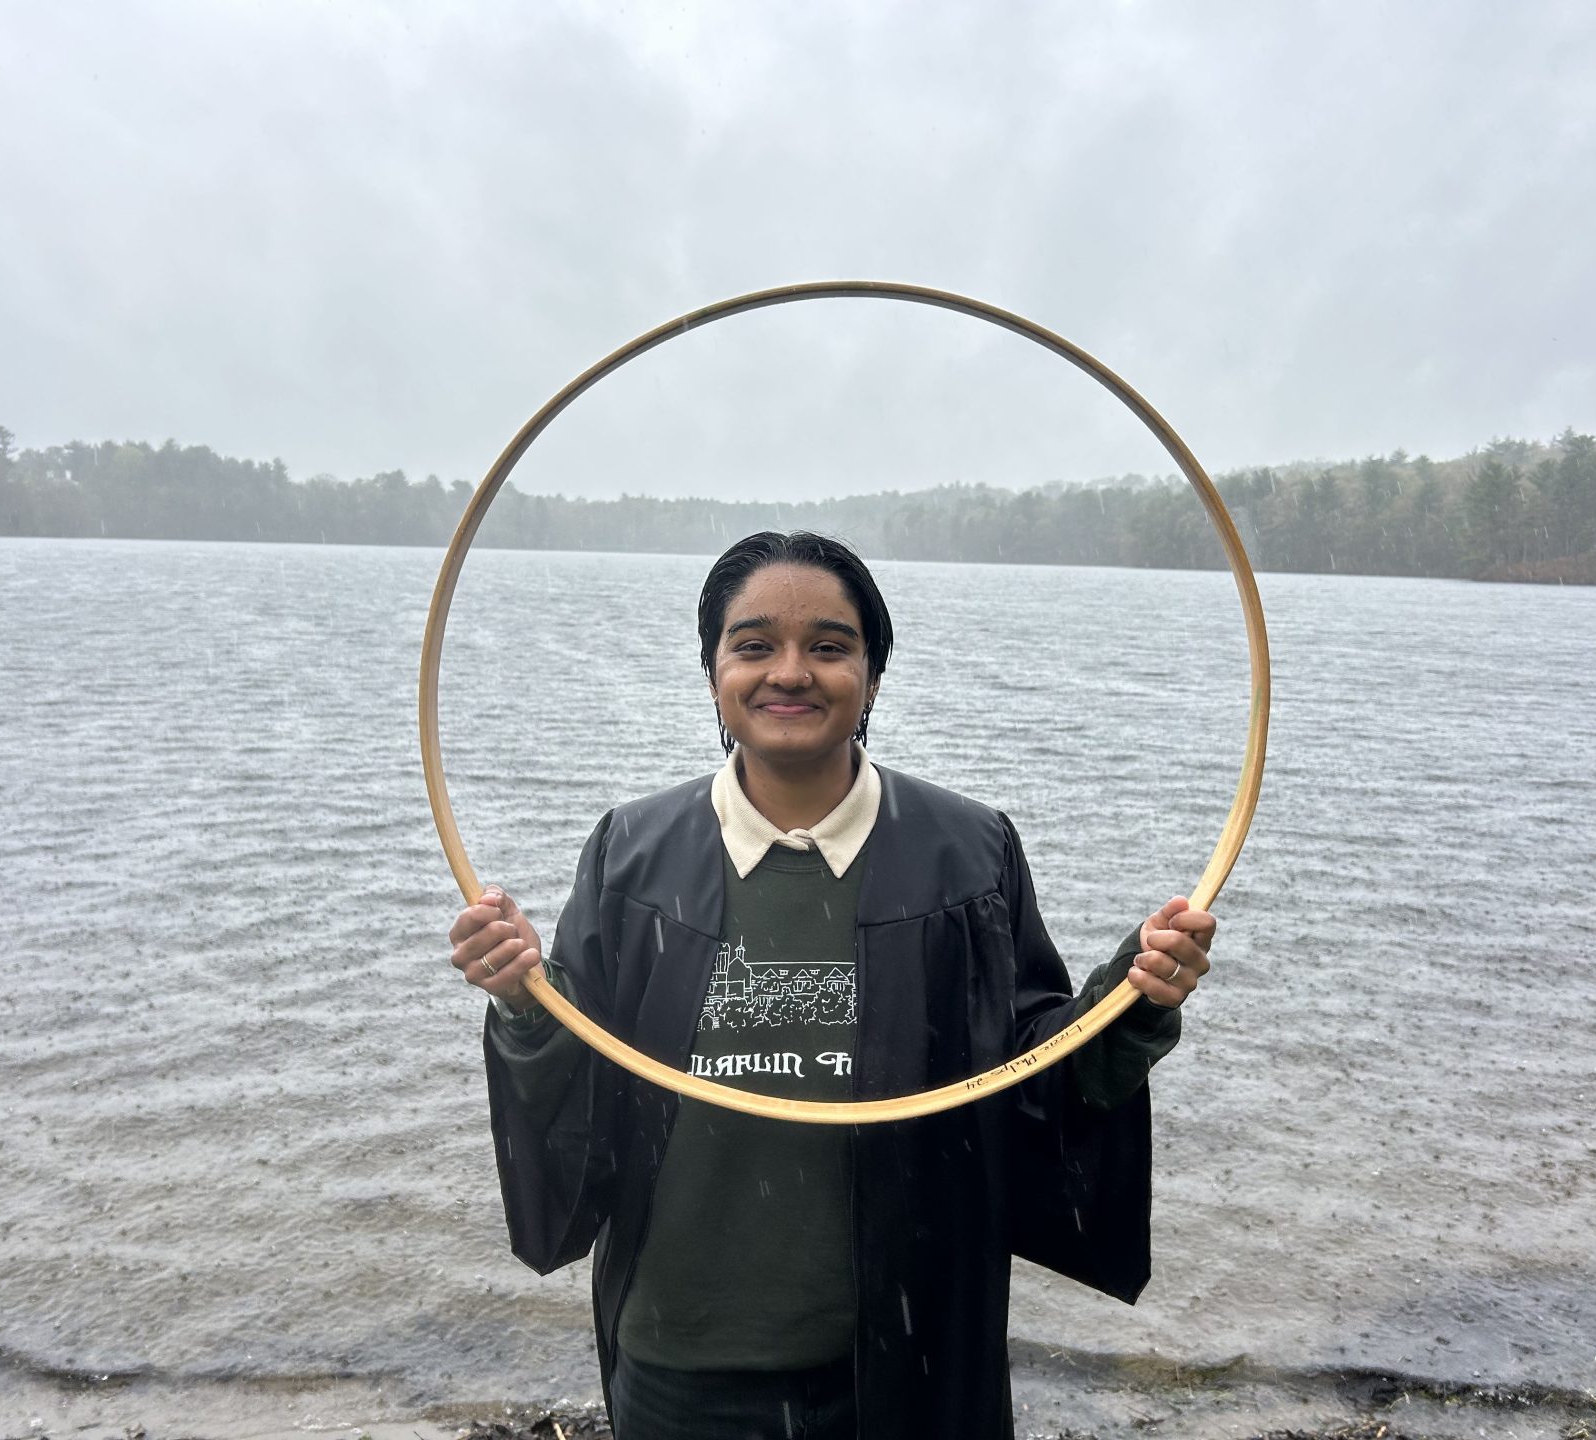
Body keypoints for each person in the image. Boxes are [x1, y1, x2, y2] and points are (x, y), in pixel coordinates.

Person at [447, 531, 1216, 1440]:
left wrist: (1129, 1000)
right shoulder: (634, 853)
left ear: (874, 676)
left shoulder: (965, 852)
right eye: (754, 643)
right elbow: (583, 1082)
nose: (790, 672)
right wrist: (523, 999)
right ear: (713, 676)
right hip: (682, 1354)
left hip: (907, 1356)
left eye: (829, 645)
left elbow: (1025, 1074)